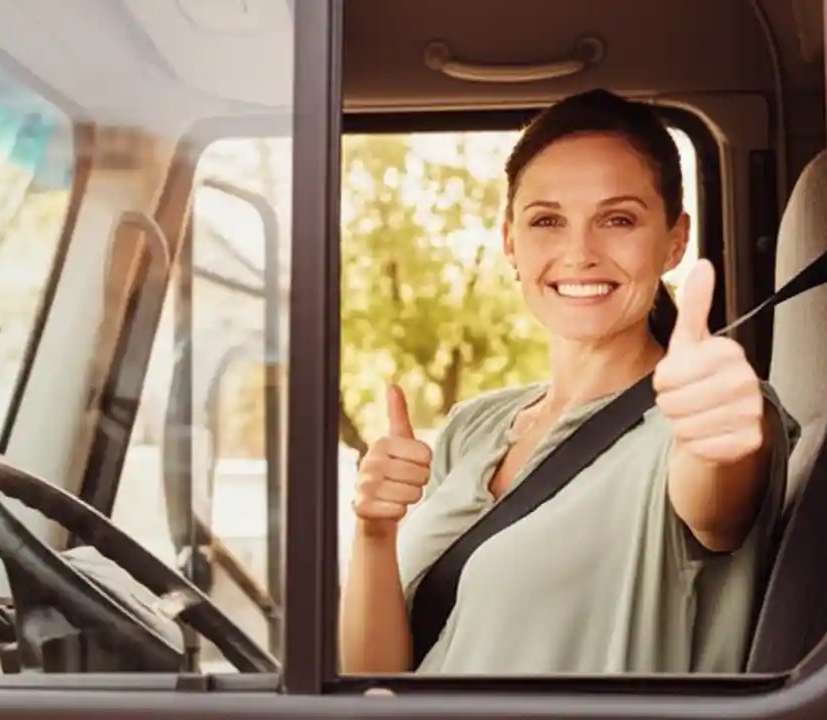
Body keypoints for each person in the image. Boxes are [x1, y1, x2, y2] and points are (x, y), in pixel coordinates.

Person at [339, 89, 799, 675]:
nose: (579, 253)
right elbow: (373, 682)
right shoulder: (471, 428)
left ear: (675, 240)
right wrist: (375, 534)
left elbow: (716, 493)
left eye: (619, 219)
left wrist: (718, 437)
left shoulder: (701, 421)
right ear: (511, 240)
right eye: (548, 221)